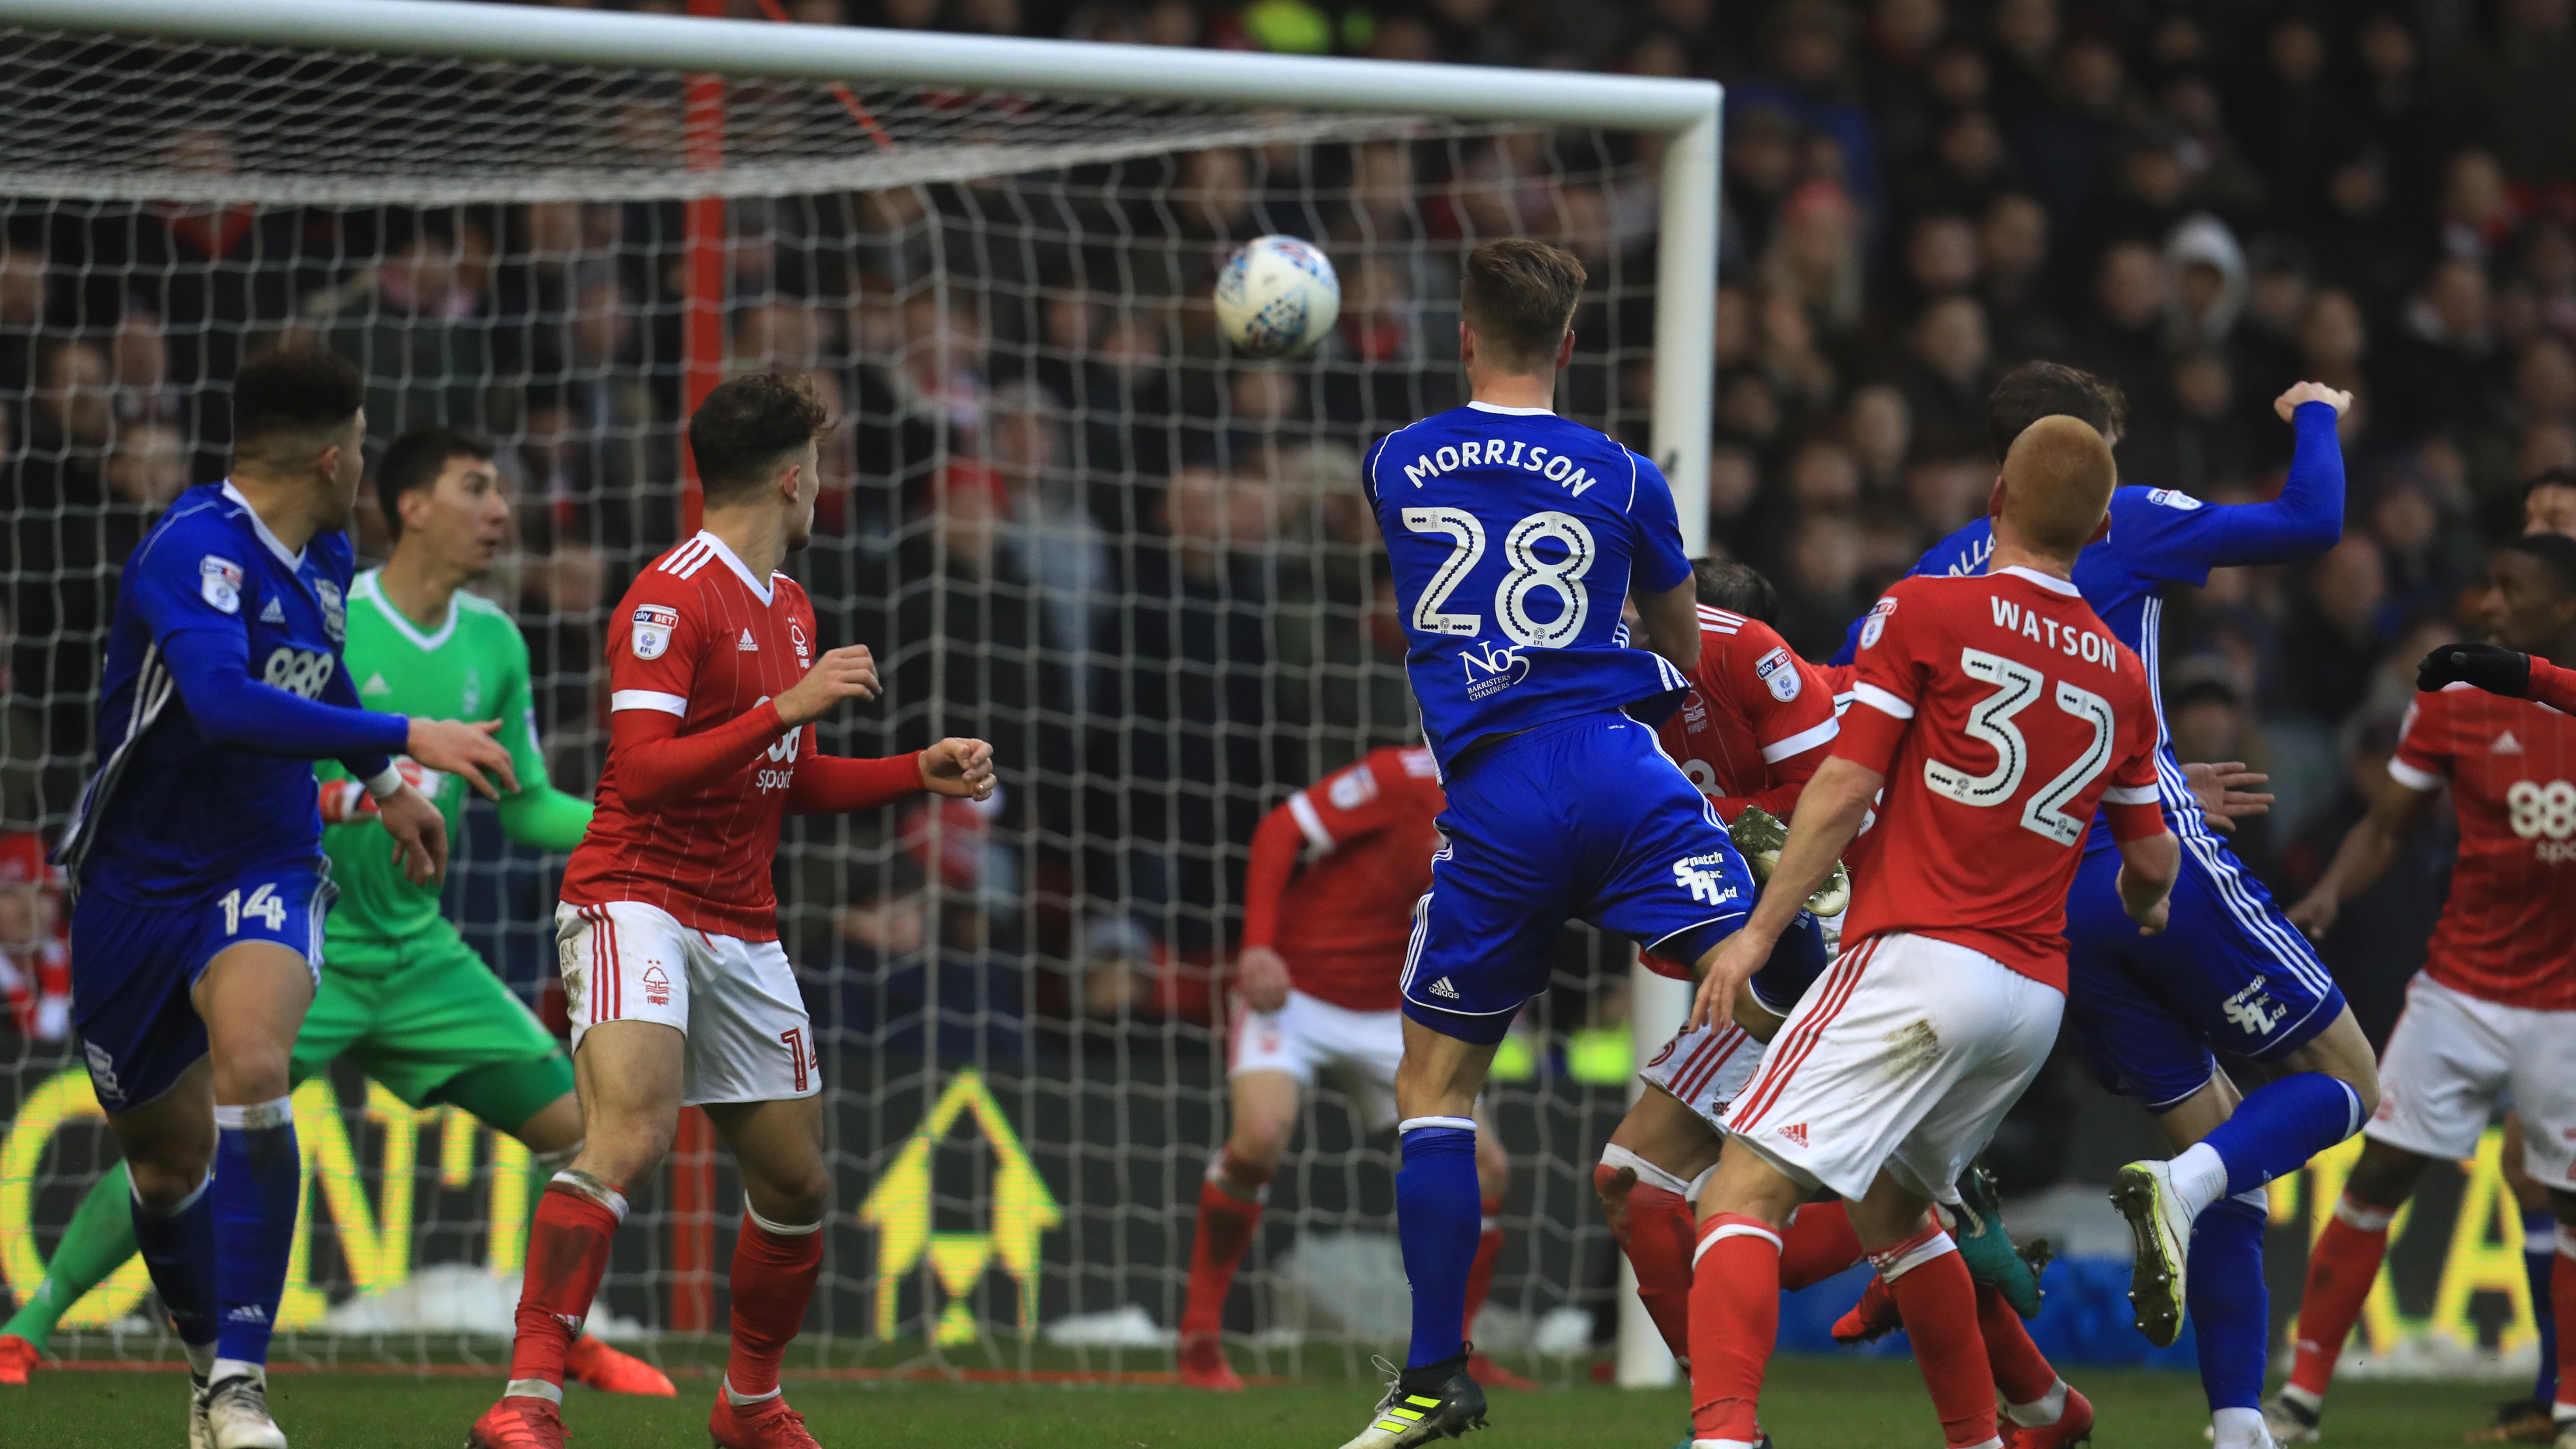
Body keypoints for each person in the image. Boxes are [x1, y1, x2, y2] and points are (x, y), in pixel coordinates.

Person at [0, 428, 668, 1397]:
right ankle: (30, 1324)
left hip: (420, 952)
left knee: (588, 1131)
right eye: (476, 488)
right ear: (413, 506)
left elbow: (521, 804)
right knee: (182, 1141)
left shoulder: (497, 641)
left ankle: (555, 1337)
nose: (501, 511)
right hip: (295, 932)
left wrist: (634, 822)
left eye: (503, 492)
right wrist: (370, 789)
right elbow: (255, 771)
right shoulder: (328, 606)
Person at [1826, 362, 2381, 1449]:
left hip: (2040, 913)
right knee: (2348, 1084)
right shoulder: (2118, 520)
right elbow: (2314, 521)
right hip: (2149, 869)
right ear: (2089, 451)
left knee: (2233, 1150)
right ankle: (2173, 1190)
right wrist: (2315, 406)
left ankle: (2238, 1427)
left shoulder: (1934, 579)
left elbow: (1860, 720)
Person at [466, 373, 996, 1449]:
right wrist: (784, 707)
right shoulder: (671, 596)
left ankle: (748, 1403)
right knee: (632, 1136)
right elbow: (646, 772)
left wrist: (911, 772)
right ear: (794, 479)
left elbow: (785, 778)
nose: (824, 490)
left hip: (743, 921)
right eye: (821, 469)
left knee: (798, 1184)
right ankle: (527, 1401)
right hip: (635, 897)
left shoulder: (789, 605)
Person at [1333, 239, 1771, 1449]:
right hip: (1616, 769)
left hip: (1493, 800)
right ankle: (1920, 1200)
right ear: (1572, 345)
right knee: (1786, 971)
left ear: (1463, 335)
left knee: (1437, 1092)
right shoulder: (1628, 477)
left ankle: (1432, 1376)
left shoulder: (1395, 459)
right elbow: (1685, 643)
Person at [1685, 415, 2178, 1449]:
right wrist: (2143, 911)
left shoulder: (1927, 610)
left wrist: (1755, 932)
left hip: (1917, 960)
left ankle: (1722, 1438)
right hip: (2030, 1000)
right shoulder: (2123, 677)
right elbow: (2152, 864)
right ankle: (2022, 1420)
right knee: (1896, 1214)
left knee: (1740, 1188)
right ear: (2096, 528)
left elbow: (1845, 783)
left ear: (1996, 495)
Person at [54, 350, 517, 1449]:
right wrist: (406, 735)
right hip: (133, 883)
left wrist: (388, 785)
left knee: (255, 1063)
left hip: (265, 854)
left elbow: (318, 672)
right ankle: (207, 1366)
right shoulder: (192, 552)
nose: (363, 457)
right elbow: (220, 702)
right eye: (359, 440)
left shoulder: (326, 551)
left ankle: (239, 1386)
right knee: (165, 1169)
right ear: (330, 454)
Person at [1597, 558, 2088, 1448]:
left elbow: (1838, 805)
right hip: (1884, 971)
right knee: (1880, 1216)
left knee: (1675, 1191)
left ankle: (1725, 1425)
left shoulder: (1787, 679)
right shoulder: (1640, 695)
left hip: (1838, 962)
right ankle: (2041, 1404)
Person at [2267, 533, 2576, 1447]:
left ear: (2562, 609)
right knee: (2382, 1171)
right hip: (2460, 991)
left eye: (2510, 590)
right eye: (2487, 585)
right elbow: (2389, 825)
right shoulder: (2453, 707)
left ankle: (2567, 1413)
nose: (2486, 604)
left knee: (2570, 1200)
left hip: (2569, 1007)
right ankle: (2301, 1403)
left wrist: (2528, 674)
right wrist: (2328, 890)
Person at [1176, 744, 1525, 1393]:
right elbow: (1283, 828)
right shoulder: (1403, 775)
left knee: (1488, 1166)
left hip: (1397, 1009)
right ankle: (1198, 1336)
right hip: (1296, 991)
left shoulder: (1531, 801)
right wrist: (1256, 946)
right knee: (1258, 1138)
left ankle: (1456, 1352)